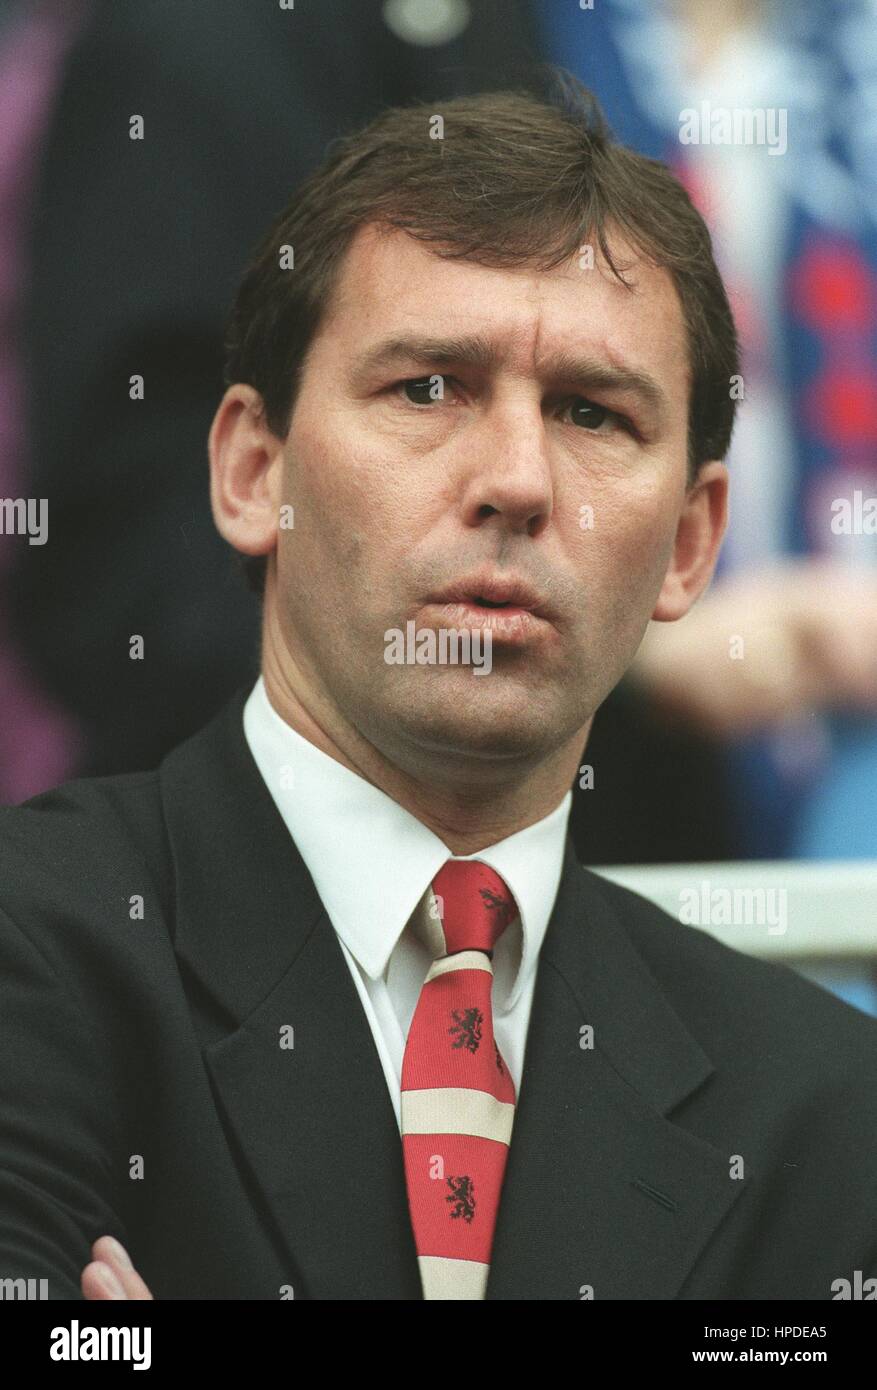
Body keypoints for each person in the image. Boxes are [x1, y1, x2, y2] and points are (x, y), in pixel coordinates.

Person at [2, 74, 875, 1302]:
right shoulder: (33, 954)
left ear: (690, 543)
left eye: (590, 413)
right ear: (253, 472)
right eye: (427, 388)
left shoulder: (827, 1110)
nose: (516, 480)